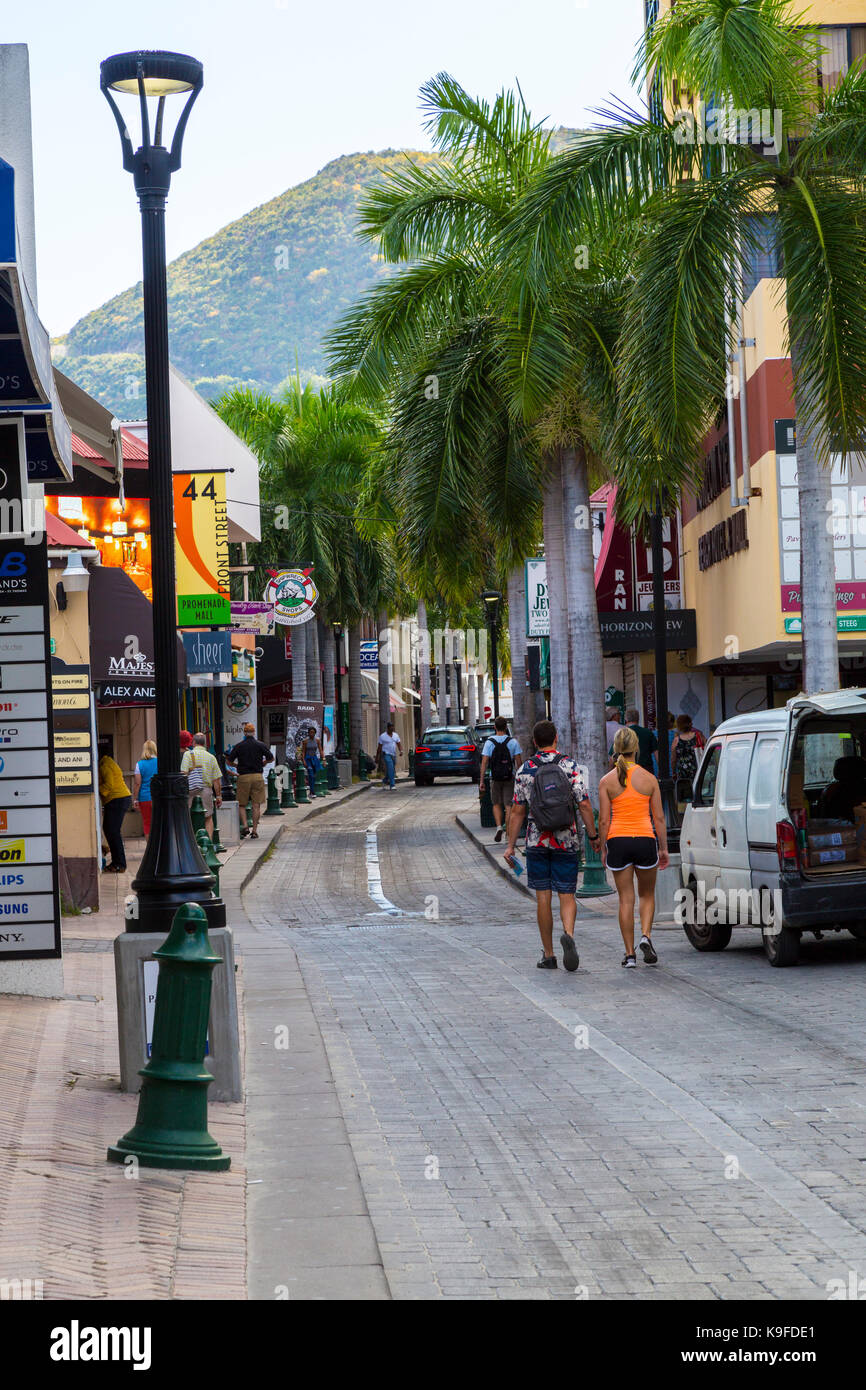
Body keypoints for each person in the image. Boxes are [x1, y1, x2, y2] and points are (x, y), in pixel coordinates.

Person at [505, 719, 599, 973]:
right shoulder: (570, 766)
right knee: (567, 894)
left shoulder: (525, 769)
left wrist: (511, 845)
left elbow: (517, 811)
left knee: (543, 897)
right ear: (556, 738)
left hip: (537, 840)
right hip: (566, 839)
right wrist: (593, 836)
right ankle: (568, 933)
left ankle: (549, 954)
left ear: (535, 742)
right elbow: (584, 804)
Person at [598, 725, 669, 969]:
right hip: (645, 839)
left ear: (616, 749)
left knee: (625, 899)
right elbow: (659, 818)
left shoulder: (607, 781)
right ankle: (646, 936)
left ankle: (629, 955)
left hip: (617, 840)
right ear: (636, 748)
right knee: (646, 895)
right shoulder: (649, 779)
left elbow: (605, 819)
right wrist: (663, 848)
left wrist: (603, 847)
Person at [225, 722, 274, 838]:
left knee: (242, 804)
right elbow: (271, 758)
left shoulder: (239, 745)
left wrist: (237, 766)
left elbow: (228, 761)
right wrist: (264, 762)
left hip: (243, 777)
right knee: (256, 805)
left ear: (244, 733)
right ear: (254, 732)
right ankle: (255, 831)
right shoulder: (260, 745)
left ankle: (246, 827)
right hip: (257, 776)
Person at [479, 716, 522, 843]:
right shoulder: (513, 742)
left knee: (496, 803)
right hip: (509, 777)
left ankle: (498, 827)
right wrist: (520, 779)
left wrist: (482, 781)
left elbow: (484, 762)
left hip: (495, 778)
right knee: (509, 805)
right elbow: (519, 762)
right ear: (506, 727)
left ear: (495, 727)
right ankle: (508, 834)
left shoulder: (489, 742)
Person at [181, 732, 223, 837]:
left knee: (189, 817)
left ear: (193, 742)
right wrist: (218, 796)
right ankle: (207, 843)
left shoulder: (187, 754)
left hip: (191, 790)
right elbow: (216, 780)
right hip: (206, 790)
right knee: (208, 817)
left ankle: (193, 843)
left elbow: (183, 773)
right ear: (204, 744)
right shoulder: (211, 757)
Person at [99, 753, 132, 873]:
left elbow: (109, 784)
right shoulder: (108, 762)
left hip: (116, 799)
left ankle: (119, 864)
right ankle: (117, 862)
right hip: (120, 798)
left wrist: (97, 790)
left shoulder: (104, 766)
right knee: (111, 831)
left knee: (112, 831)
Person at [671, 714, 705, 792]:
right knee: (699, 792)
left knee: (685, 796)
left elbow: (673, 759)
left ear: (679, 726)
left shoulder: (676, 740)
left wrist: (673, 772)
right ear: (690, 724)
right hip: (698, 770)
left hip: (683, 774)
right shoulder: (698, 736)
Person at [132, 740, 158, 837]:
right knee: (159, 823)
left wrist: (135, 799)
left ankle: (150, 848)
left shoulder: (139, 764)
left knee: (147, 824)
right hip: (158, 797)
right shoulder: (160, 762)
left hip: (145, 797)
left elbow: (137, 783)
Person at [623, 707, 658, 773]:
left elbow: (612, 758)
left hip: (629, 771)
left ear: (626, 719)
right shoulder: (648, 733)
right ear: (638, 719)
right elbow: (657, 754)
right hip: (646, 770)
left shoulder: (622, 734)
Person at [377, 722, 402, 790]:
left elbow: (399, 744)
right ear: (388, 728)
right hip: (386, 754)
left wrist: (401, 751)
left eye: (393, 727)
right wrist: (377, 757)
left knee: (392, 769)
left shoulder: (395, 735)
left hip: (393, 754)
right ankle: (392, 785)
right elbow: (379, 747)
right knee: (390, 767)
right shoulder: (382, 736)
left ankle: (384, 780)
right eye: (391, 727)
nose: (392, 728)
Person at [302, 726, 324, 797]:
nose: (312, 734)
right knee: (310, 774)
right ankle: (312, 792)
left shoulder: (317, 741)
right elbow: (303, 752)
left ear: (315, 733)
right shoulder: (305, 741)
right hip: (308, 759)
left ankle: (311, 791)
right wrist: (304, 760)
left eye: (313, 732)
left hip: (314, 759)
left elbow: (321, 750)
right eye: (310, 732)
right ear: (308, 733)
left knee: (314, 776)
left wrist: (323, 759)